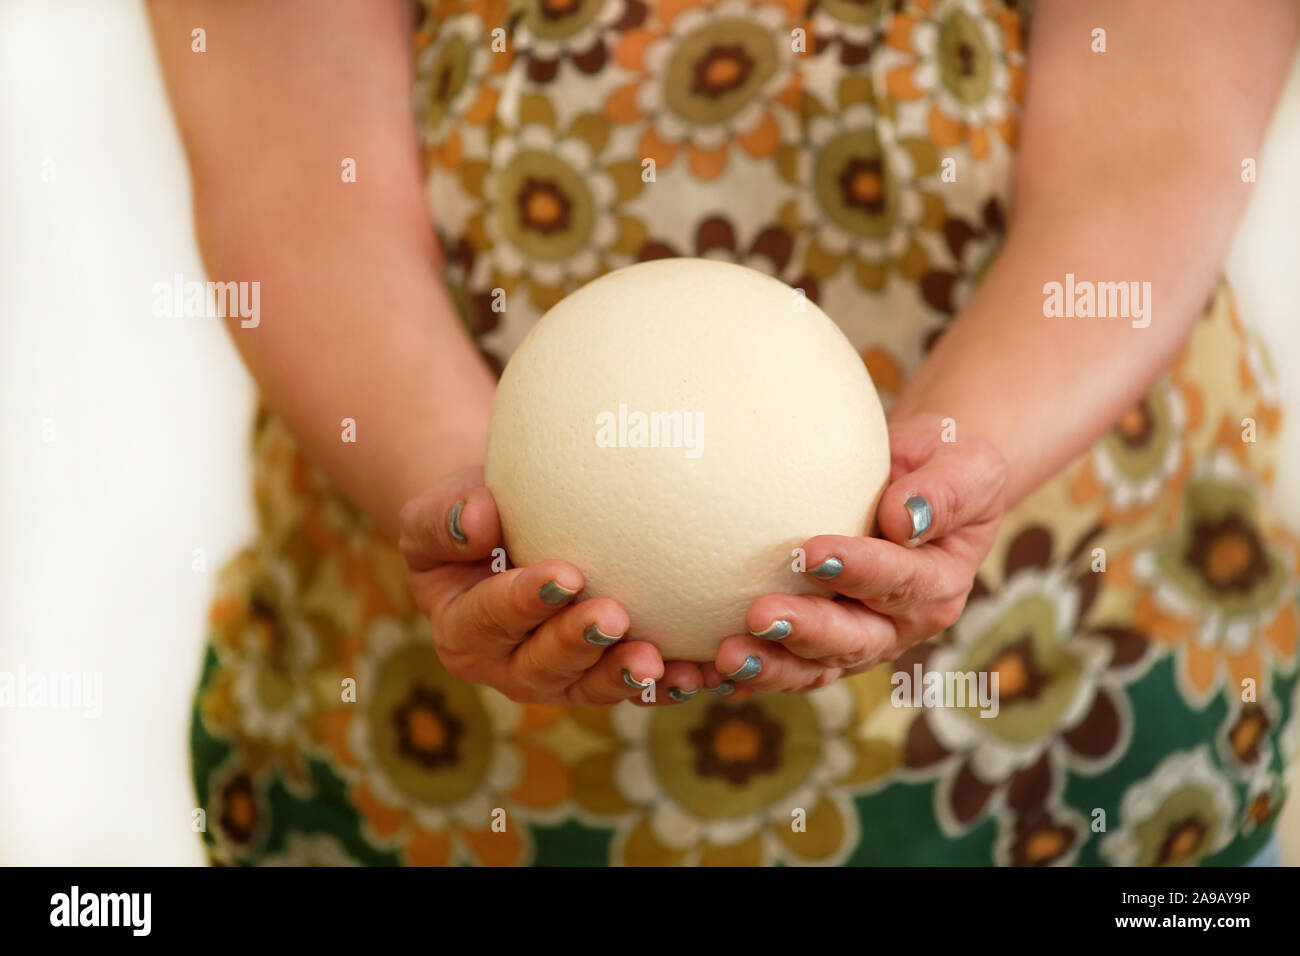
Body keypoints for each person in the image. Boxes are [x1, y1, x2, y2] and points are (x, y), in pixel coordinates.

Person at [150, 0, 1300, 865]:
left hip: (1059, 682)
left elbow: (1148, 146)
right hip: (434, 735)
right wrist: (464, 484)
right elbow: (298, 175)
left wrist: (949, 464)